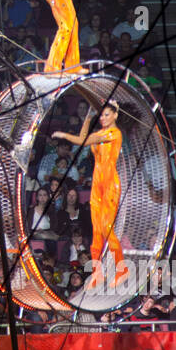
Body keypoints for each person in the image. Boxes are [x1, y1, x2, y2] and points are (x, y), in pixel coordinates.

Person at [53, 102, 128, 285]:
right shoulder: (100, 134)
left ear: (115, 115)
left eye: (107, 115)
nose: (103, 118)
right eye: (101, 115)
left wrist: (63, 135)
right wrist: (88, 117)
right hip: (97, 184)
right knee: (96, 231)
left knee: (106, 228)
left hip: (110, 184)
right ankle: (97, 272)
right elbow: (84, 136)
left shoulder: (114, 134)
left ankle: (122, 269)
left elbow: (82, 141)